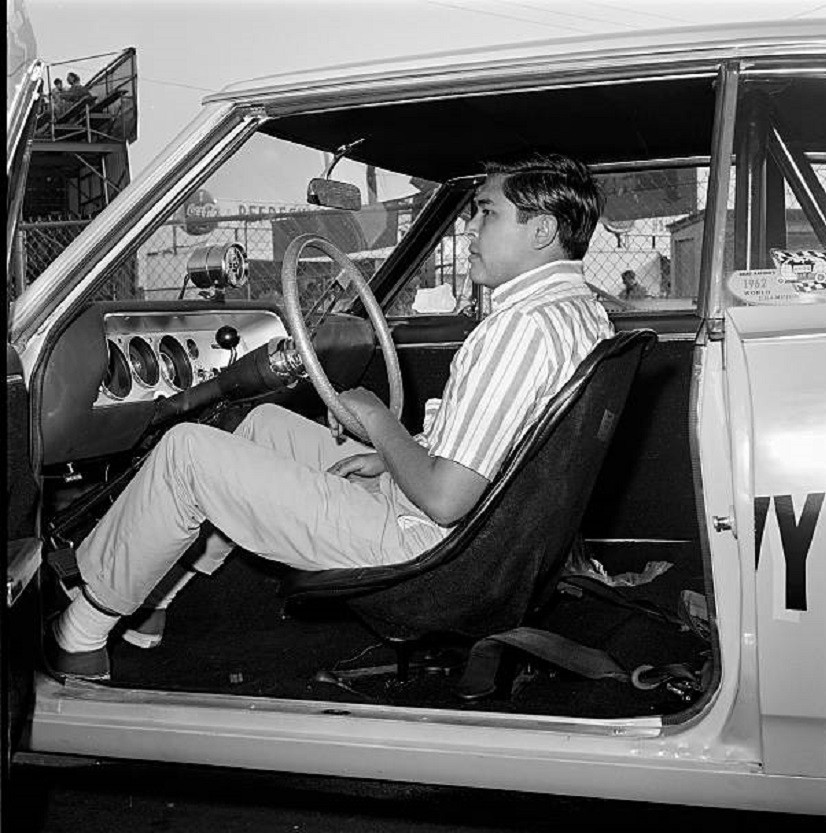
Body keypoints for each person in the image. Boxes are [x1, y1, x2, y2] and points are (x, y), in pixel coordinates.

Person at [46, 153, 614, 680]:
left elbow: (445, 499)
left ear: (542, 230)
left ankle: (81, 633)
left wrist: (379, 424)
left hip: (430, 549)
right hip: (486, 539)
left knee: (185, 454)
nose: (469, 229)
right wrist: (390, 459)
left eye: (487, 213)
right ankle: (150, 596)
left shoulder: (520, 329)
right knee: (261, 426)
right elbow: (500, 450)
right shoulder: (580, 314)